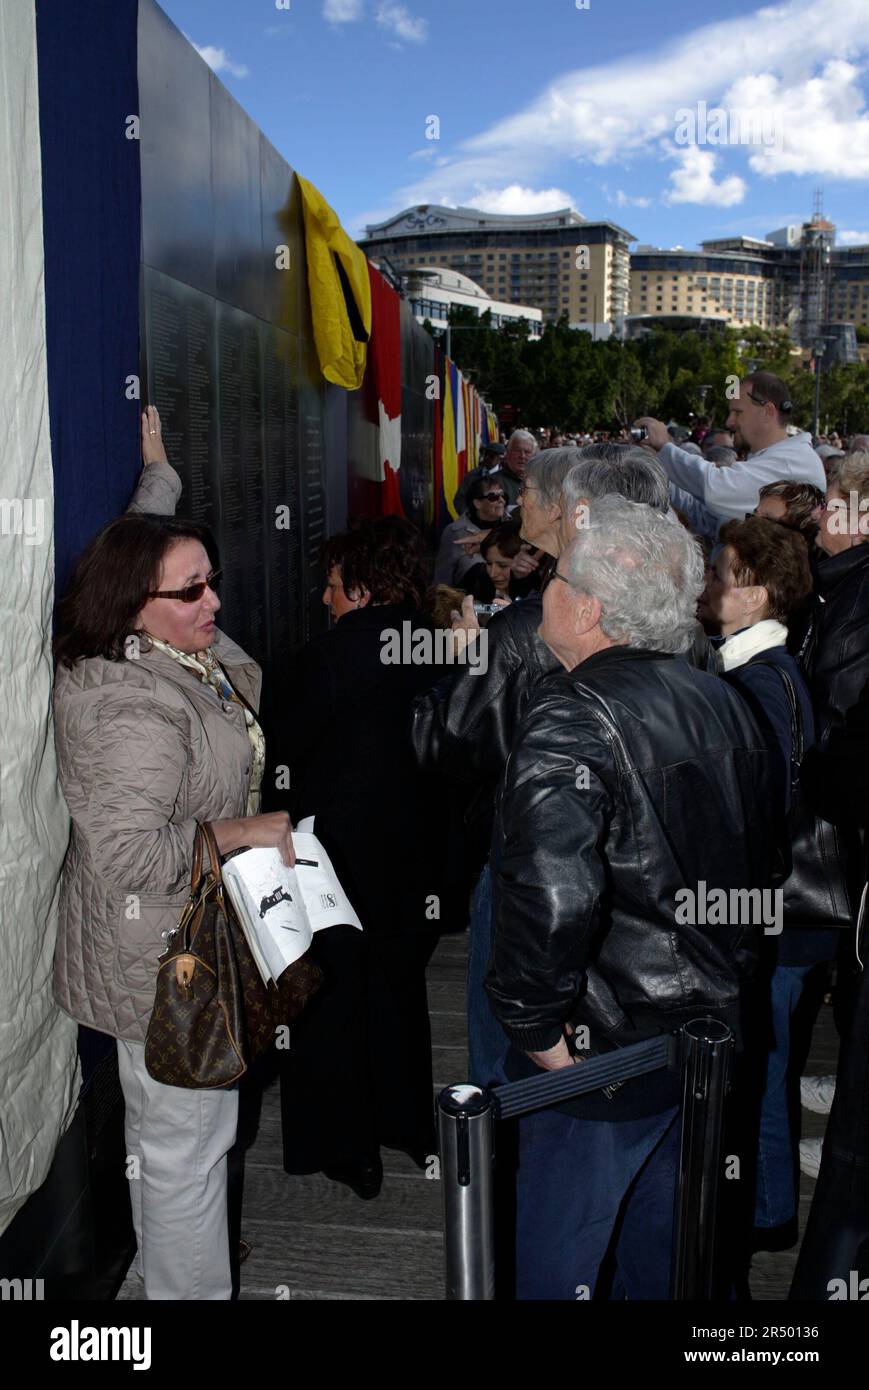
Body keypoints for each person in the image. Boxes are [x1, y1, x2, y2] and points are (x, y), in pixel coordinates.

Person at [486, 495, 776, 1300]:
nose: (540, 586)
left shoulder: (570, 716)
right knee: (663, 1262)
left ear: (587, 605)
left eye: (553, 575)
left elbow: (550, 896)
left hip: (600, 1050)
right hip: (699, 1043)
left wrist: (536, 1029)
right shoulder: (723, 699)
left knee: (556, 1267)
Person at [52, 410, 294, 1300]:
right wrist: (245, 833)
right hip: (160, 965)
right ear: (132, 608)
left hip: (169, 949)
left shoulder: (162, 643)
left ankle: (156, 1277)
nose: (214, 602)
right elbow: (125, 854)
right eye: (191, 592)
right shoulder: (126, 708)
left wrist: (161, 479)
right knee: (191, 1149)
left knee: (166, 1140)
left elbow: (140, 540)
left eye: (212, 582)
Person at [412, 445, 676, 1087]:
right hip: (648, 889)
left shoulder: (534, 629)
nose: (517, 501)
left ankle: (501, 1168)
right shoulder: (673, 613)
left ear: (571, 510)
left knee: (509, 1068)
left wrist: (460, 667)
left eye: (529, 492)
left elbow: (445, 741)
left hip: (534, 871)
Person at [278, 516, 446, 1199]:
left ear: (363, 586)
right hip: (421, 859)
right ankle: (407, 1124)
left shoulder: (323, 660)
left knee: (331, 999)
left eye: (332, 584)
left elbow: (283, 761)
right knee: (399, 990)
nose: (325, 597)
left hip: (334, 861)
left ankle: (345, 1149)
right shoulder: (441, 647)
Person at [704, 517, 836, 1248]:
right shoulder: (767, 670)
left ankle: (765, 1214)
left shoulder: (759, 682)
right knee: (767, 1066)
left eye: (720, 573)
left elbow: (758, 815)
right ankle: (767, 1207)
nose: (708, 583)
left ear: (753, 594)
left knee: (761, 1071)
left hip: (773, 921)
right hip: (778, 918)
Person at [635, 373, 826, 527]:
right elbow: (710, 518)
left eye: (737, 412)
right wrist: (656, 458)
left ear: (768, 412)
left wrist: (663, 445)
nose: (729, 422)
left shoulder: (792, 462)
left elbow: (716, 487)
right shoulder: (776, 459)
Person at [432, 474, 507, 586]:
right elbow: (443, 576)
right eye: (493, 497)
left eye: (503, 495)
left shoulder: (515, 523)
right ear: (478, 503)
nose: (501, 500)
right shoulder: (455, 532)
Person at [454, 429, 538, 512]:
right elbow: (462, 504)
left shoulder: (541, 482)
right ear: (507, 453)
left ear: (534, 456)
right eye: (517, 450)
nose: (522, 456)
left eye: (527, 452)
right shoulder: (490, 482)